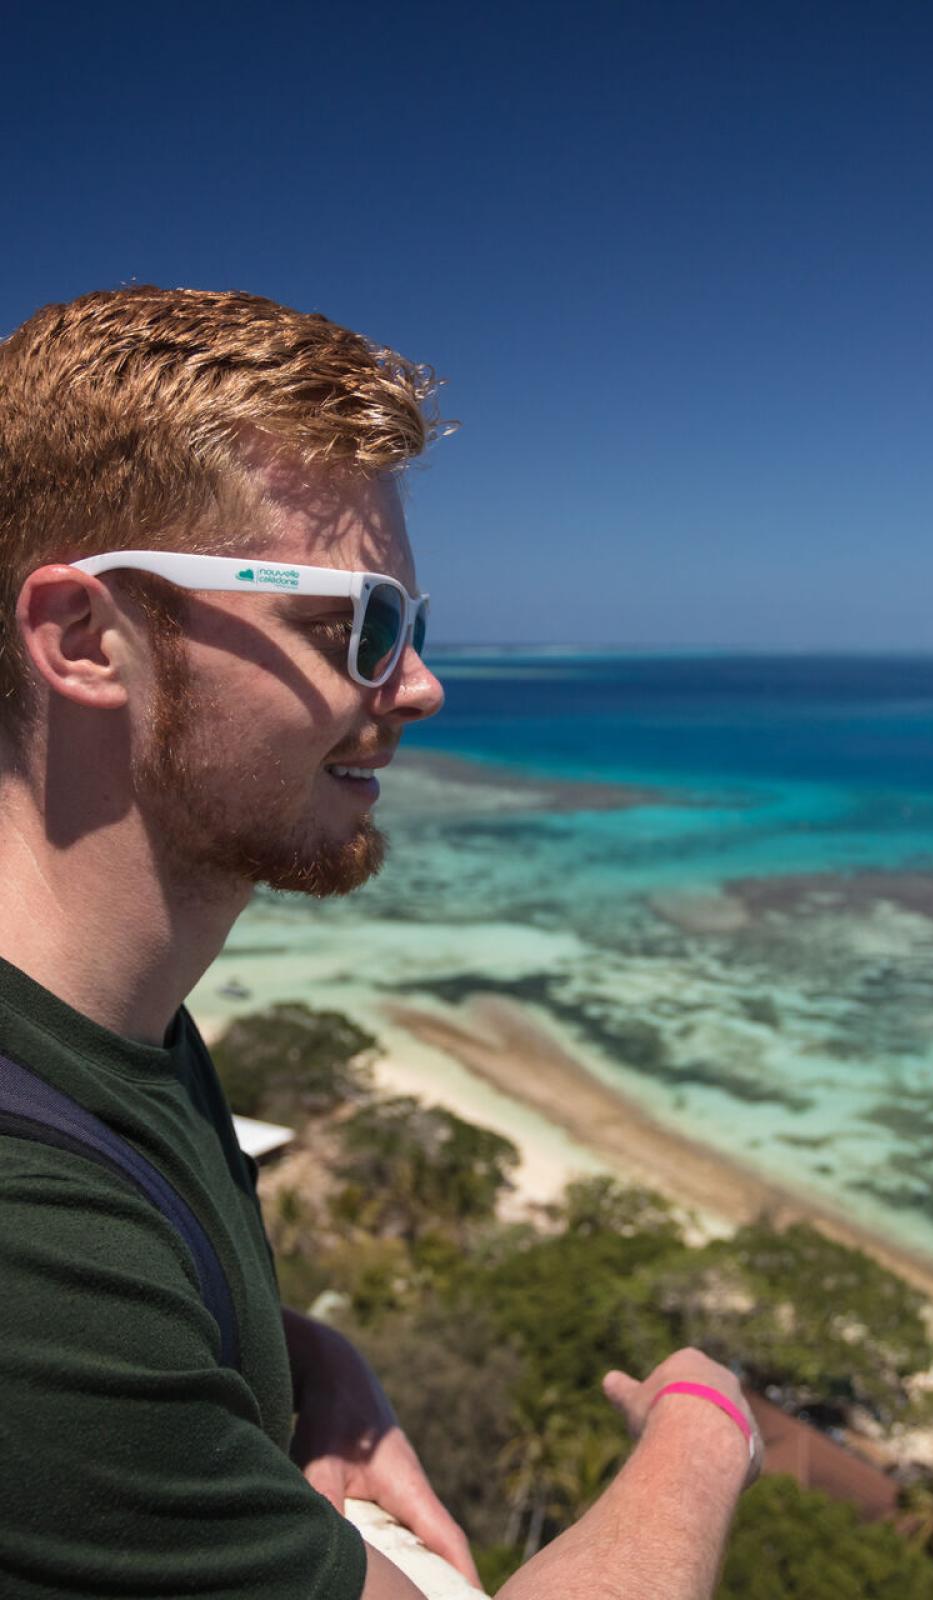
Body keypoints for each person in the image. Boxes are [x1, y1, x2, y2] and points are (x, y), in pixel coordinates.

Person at [0, 285, 759, 1599]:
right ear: (83, 639)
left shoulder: (107, 1024)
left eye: (412, 626)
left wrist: (309, 1366)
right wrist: (704, 1430)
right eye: (353, 626)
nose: (416, 685)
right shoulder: (26, 1236)